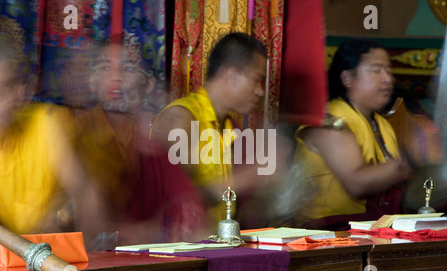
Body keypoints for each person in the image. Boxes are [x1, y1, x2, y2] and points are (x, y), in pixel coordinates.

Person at [74, 41, 208, 244]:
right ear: (92, 81)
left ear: (149, 83)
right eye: (104, 67)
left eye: (128, 68)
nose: (116, 77)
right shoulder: (78, 132)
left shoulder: (151, 141)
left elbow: (188, 212)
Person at [0, 34, 113, 248]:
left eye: (4, 90)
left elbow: (85, 191)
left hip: (57, 254)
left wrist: (63, 216)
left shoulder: (47, 123)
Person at [293, 38, 413, 230]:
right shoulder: (329, 122)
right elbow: (356, 184)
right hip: (324, 236)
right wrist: (413, 158)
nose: (388, 78)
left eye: (388, 70)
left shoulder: (382, 124)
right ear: (348, 78)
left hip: (374, 231)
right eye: (376, 70)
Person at [150, 32, 268, 225]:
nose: (260, 91)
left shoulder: (231, 129)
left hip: (215, 245)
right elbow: (173, 201)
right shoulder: (182, 118)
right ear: (230, 74)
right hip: (180, 251)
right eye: (257, 79)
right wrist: (246, 178)